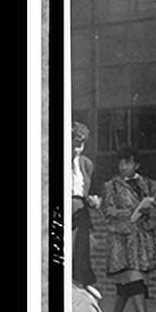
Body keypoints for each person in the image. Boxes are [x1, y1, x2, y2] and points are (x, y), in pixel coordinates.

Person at [101, 145, 156, 312]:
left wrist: (147, 214)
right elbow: (108, 211)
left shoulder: (150, 185)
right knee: (135, 281)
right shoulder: (111, 186)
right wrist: (131, 214)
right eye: (120, 162)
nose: (123, 166)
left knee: (126, 285)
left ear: (136, 164)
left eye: (127, 162)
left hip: (142, 242)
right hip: (122, 242)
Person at [71, 122, 101, 298]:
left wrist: (94, 200)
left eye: (80, 145)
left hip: (80, 210)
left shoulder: (86, 164)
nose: (77, 149)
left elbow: (92, 190)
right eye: (73, 144)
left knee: (82, 248)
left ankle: (83, 283)